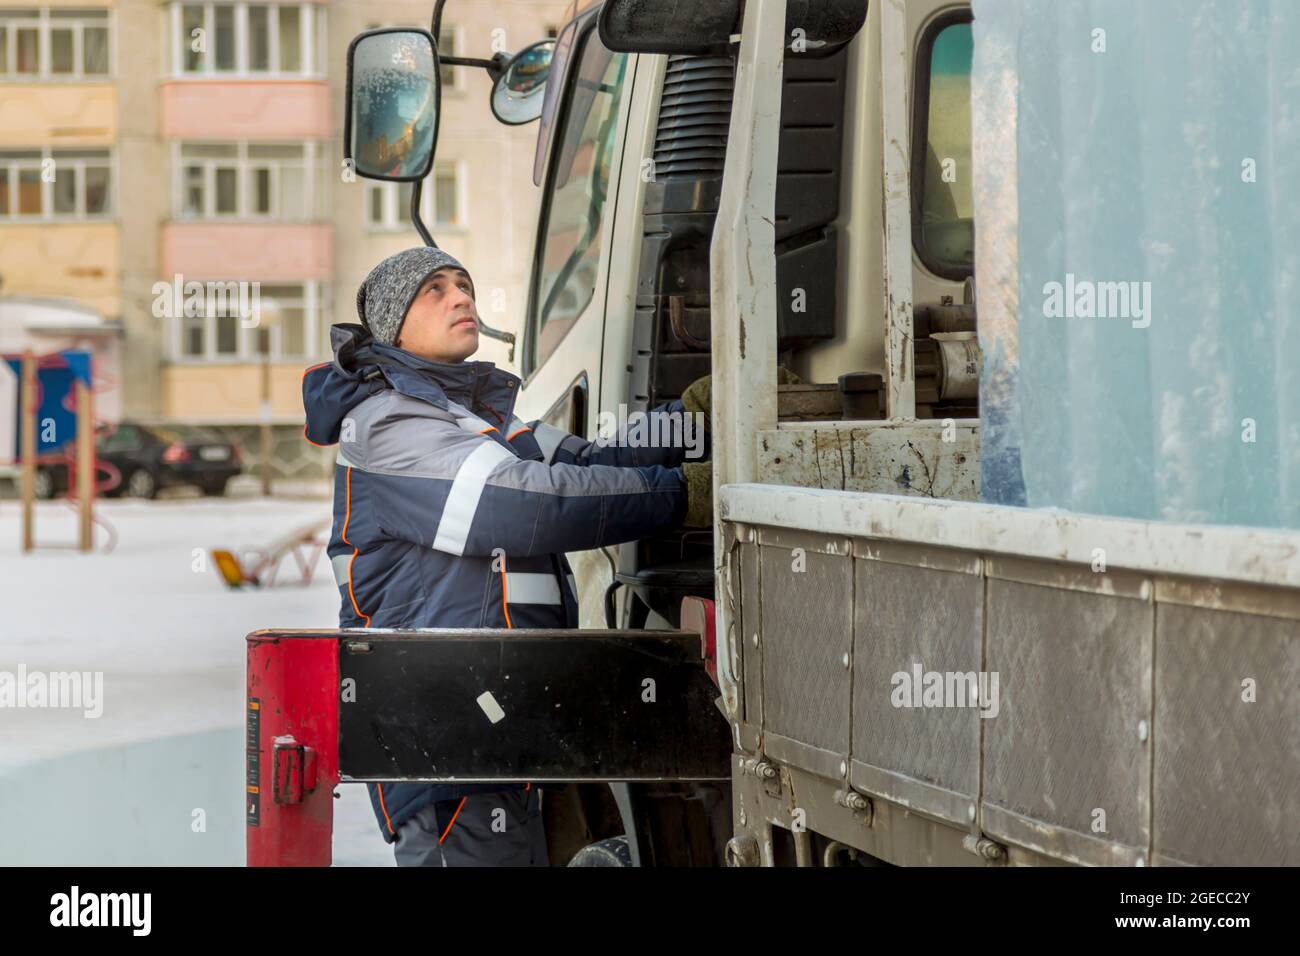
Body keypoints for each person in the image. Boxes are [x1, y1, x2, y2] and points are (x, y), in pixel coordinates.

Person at [302, 246, 712, 866]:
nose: (461, 297)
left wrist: (689, 421)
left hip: (505, 726)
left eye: (463, 283)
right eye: (434, 290)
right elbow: (523, 505)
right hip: (446, 743)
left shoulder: (478, 419)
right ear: (392, 326)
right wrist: (681, 495)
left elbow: (588, 463)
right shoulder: (387, 424)